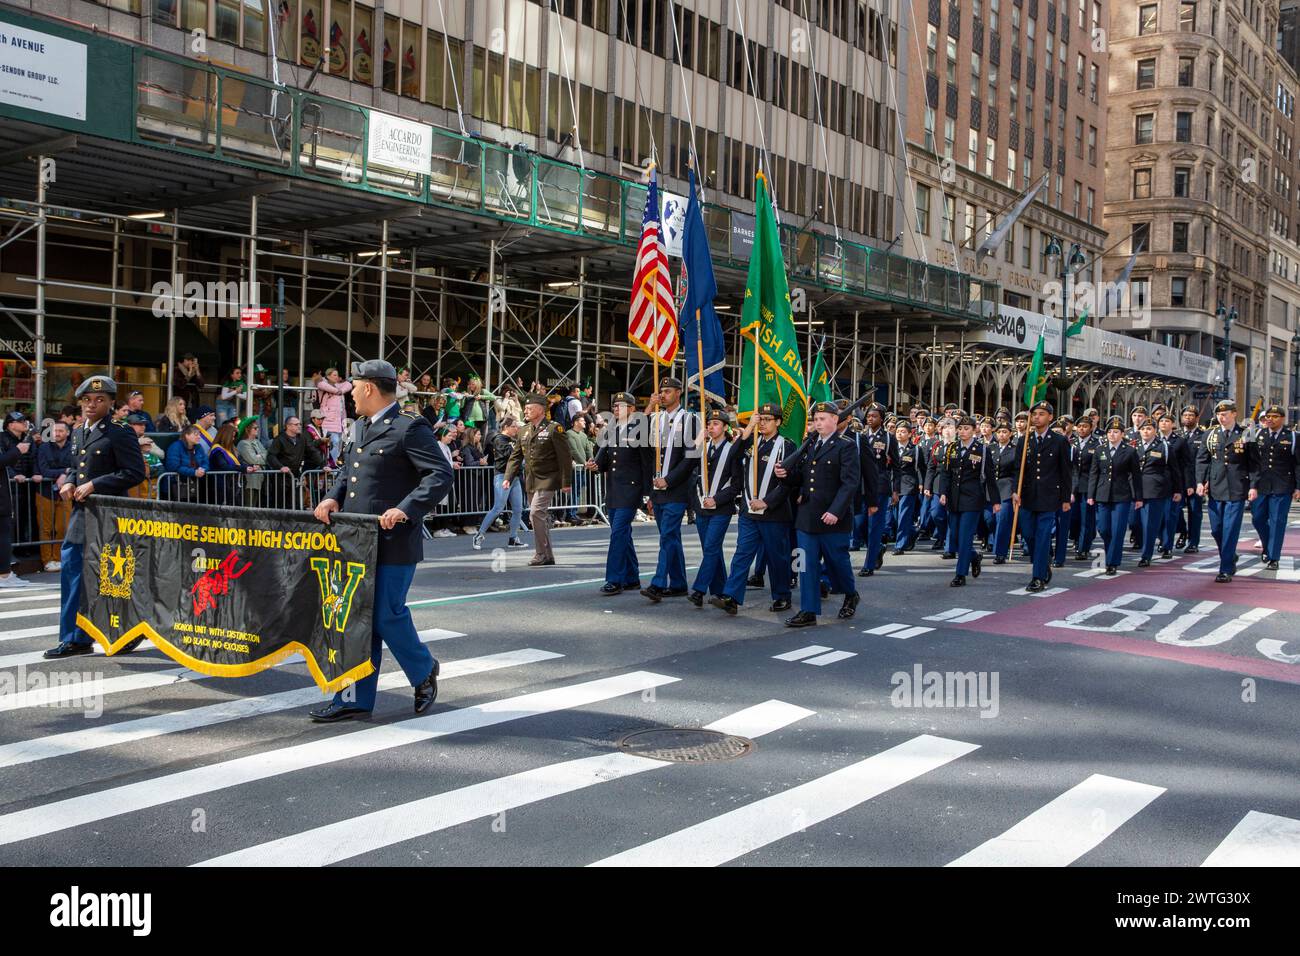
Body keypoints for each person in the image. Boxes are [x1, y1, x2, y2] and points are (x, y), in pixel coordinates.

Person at [310, 360, 453, 723]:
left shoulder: (409, 427)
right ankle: (353, 698)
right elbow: (349, 472)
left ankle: (423, 672)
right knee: (357, 618)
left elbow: (440, 474)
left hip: (393, 540)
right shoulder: (361, 427)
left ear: (370, 388)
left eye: (354, 386)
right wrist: (333, 497)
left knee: (387, 615)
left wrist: (405, 509)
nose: (351, 393)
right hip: (357, 540)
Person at [43, 375, 147, 658]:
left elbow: (135, 472)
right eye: (87, 400)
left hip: (110, 515)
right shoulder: (78, 432)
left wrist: (96, 484)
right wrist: (69, 482)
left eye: (100, 400)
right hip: (82, 513)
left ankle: (126, 631)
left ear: (112, 403)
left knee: (114, 577)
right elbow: (78, 468)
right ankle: (75, 637)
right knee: (73, 571)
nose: (92, 404)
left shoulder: (120, 432)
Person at [774, 401, 860, 627]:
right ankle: (808, 610)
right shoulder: (810, 443)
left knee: (837, 563)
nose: (818, 423)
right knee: (804, 564)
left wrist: (835, 511)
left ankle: (850, 593)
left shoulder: (846, 446)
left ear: (835, 420)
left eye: (823, 419)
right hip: (807, 516)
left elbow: (849, 484)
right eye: (816, 419)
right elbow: (802, 479)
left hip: (832, 518)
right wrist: (784, 474)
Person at [711, 403, 798, 615]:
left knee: (777, 557)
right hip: (749, 510)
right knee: (742, 553)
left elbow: (789, 483)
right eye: (762, 418)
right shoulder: (752, 442)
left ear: (778, 422)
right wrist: (750, 426)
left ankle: (781, 596)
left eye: (768, 419)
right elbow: (732, 454)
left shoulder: (787, 446)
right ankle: (731, 596)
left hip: (773, 512)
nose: (764, 423)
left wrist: (767, 502)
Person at [588, 393, 651, 594]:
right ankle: (632, 578)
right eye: (614, 406)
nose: (616, 409)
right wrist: (596, 465)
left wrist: (648, 494)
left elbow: (646, 463)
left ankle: (614, 579)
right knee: (623, 534)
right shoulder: (612, 431)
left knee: (617, 534)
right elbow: (607, 461)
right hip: (614, 489)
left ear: (632, 409)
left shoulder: (640, 430)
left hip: (631, 489)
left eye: (621, 406)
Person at [502, 393, 573, 567]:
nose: (525, 411)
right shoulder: (524, 430)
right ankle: (548, 555)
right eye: (525, 408)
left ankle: (540, 554)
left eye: (529, 408)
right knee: (537, 517)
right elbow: (515, 456)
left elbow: (565, 457)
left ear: (540, 410)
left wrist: (566, 482)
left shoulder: (554, 429)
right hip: (531, 479)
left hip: (548, 478)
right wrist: (508, 477)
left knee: (535, 513)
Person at [641, 378, 694, 601]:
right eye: (660, 391)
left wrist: (669, 480)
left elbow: (690, 458)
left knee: (668, 536)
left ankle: (658, 583)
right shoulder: (656, 418)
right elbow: (637, 438)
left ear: (678, 393)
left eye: (668, 391)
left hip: (677, 488)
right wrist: (648, 409)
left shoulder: (690, 419)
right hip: (658, 489)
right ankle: (680, 582)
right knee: (670, 537)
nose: (663, 395)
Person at [1013, 400, 1073, 592]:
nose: (1036, 417)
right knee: (1029, 535)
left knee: (1043, 536)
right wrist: (1016, 491)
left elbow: (1065, 472)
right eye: (1034, 414)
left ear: (1050, 417)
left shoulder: (1059, 441)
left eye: (1041, 414)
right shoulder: (1024, 440)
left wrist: (1065, 498)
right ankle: (1043, 560)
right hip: (1028, 496)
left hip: (1049, 497)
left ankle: (1037, 577)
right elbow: (1017, 469)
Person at [1196, 399, 1257, 583]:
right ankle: (1229, 556)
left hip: (1237, 488)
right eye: (1219, 415)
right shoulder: (1211, 434)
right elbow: (1202, 460)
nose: (1222, 418)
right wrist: (1200, 481)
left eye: (1225, 414)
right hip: (1216, 487)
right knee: (1216, 530)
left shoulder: (1245, 434)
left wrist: (1253, 486)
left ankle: (1225, 569)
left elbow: (1254, 462)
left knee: (1230, 530)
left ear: (1234, 414)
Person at [936, 415, 1000, 586]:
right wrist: (943, 492)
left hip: (972, 498)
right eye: (960, 428)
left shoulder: (982, 450)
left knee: (965, 537)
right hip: (954, 498)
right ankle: (973, 556)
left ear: (974, 430)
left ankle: (960, 574)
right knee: (955, 537)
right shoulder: (952, 448)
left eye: (967, 428)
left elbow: (990, 478)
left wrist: (995, 501)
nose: (963, 431)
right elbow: (945, 472)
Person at [686, 408, 739, 606]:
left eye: (716, 423)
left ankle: (699, 590)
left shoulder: (732, 449)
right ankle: (720, 589)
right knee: (711, 549)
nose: (711, 426)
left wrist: (717, 499)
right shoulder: (703, 447)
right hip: (701, 506)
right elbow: (687, 461)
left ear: (725, 427)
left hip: (720, 507)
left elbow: (736, 484)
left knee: (710, 548)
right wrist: (699, 438)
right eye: (709, 423)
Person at [1088, 416, 1143, 575]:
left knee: (1118, 529)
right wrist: (1091, 494)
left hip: (1122, 495)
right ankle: (1111, 552)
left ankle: (1112, 562)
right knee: (1104, 529)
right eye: (1110, 432)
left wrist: (1138, 497)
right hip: (1102, 494)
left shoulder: (1130, 451)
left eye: (1116, 432)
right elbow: (1094, 473)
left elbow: (1136, 475)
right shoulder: (1100, 450)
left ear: (1122, 434)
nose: (1112, 435)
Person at [1248, 404, 1300, 570]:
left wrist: (1298, 487)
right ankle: (1266, 543)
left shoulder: (1293, 436)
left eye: (1275, 416)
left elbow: (1298, 464)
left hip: (1282, 485)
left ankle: (1273, 557)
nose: (1270, 419)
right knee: (1257, 518)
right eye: (1268, 416)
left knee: (1278, 521)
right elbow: (1250, 460)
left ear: (1282, 419)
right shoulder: (1256, 434)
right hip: (1260, 484)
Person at [474, 417, 529, 550]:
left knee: (518, 509)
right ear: (506, 427)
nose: (517, 429)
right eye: (514, 426)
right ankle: (479, 535)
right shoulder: (499, 440)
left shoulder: (513, 440)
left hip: (514, 477)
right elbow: (511, 455)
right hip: (502, 476)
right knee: (498, 507)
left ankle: (513, 538)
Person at [857, 403, 897, 577]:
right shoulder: (860, 436)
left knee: (875, 526)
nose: (870, 418)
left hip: (880, 486)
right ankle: (878, 548)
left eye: (874, 416)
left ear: (881, 419)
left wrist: (895, 490)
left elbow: (896, 466)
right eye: (868, 416)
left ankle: (869, 564)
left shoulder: (888, 438)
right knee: (859, 524)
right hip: (861, 485)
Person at [1133, 419, 1180, 567]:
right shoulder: (1132, 445)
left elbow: (1174, 469)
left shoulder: (1163, 446)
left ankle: (1146, 555)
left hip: (1154, 490)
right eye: (1143, 429)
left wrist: (1177, 489)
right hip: (1133, 489)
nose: (1145, 431)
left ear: (1154, 430)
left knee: (1149, 524)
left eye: (1148, 429)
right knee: (1133, 522)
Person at [35, 421, 73, 571]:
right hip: (45, 492)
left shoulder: (73, 448)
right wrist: (63, 473)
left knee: (63, 526)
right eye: (54, 431)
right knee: (45, 528)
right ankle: (47, 560)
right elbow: (44, 470)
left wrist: (63, 473)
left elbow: (76, 467)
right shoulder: (44, 447)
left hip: (66, 492)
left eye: (60, 431)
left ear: (67, 433)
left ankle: (58, 558)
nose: (57, 433)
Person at [1156, 413, 1194, 560]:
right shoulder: (1155, 440)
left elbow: (1186, 465)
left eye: (1167, 421)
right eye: (1161, 421)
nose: (1164, 423)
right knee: (1158, 517)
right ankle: (1161, 538)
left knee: (1170, 516)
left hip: (1174, 483)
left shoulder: (1180, 441)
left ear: (1173, 424)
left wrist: (1188, 484)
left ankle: (1167, 545)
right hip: (1156, 484)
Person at [1176, 405, 1207, 552]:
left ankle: (1193, 542)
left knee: (1195, 512)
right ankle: (1182, 530)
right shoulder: (1176, 435)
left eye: (1191, 415)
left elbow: (1206, 460)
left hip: (1196, 480)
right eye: (1185, 415)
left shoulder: (1203, 435)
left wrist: (1204, 480)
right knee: (1174, 509)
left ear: (1196, 418)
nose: (1188, 418)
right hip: (1178, 480)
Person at [1071, 415, 1101, 559]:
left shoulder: (1097, 444)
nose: (1082, 429)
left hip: (1088, 485)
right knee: (1074, 518)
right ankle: (1077, 540)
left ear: (1091, 428)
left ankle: (1083, 547)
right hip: (1072, 486)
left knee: (1086, 519)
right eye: (1080, 426)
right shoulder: (1072, 442)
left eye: (1085, 426)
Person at [988, 422, 1018, 563]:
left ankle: (1000, 552)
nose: (1002, 434)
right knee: (989, 519)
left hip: (1006, 487)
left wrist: (1015, 490)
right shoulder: (990, 448)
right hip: (990, 488)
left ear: (1010, 434)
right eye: (999, 432)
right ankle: (989, 540)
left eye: (1005, 432)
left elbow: (1017, 472)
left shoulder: (1015, 450)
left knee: (1003, 521)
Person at [891, 419, 922, 554]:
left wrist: (921, 484)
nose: (899, 434)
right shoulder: (891, 447)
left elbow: (922, 468)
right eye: (898, 431)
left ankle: (900, 545)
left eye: (903, 431)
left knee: (903, 516)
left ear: (910, 434)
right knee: (897, 516)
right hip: (893, 485)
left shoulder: (915, 450)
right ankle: (913, 531)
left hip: (908, 485)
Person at [207, 421, 250, 506]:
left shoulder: (230, 449)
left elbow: (239, 462)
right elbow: (224, 466)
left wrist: (249, 466)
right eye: (232, 437)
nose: (233, 439)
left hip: (231, 485)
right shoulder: (217, 450)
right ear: (226, 436)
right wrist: (242, 468)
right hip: (221, 486)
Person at [314, 368, 353, 461]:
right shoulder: (323, 384)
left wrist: (340, 391)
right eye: (334, 375)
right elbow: (321, 384)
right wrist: (337, 391)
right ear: (328, 376)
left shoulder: (339, 387)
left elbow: (348, 384)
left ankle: (333, 465)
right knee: (332, 443)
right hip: (327, 421)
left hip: (339, 422)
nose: (337, 377)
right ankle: (330, 465)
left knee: (338, 444)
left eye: (337, 375)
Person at [163, 425, 209, 502]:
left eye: (199, 435)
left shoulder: (199, 447)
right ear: (187, 435)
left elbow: (206, 462)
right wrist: (194, 472)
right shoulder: (175, 447)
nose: (199, 437)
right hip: (176, 486)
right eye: (196, 434)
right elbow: (173, 466)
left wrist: (203, 469)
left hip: (195, 485)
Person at [236, 417, 269, 507]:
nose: (257, 429)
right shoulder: (243, 443)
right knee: (249, 505)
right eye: (255, 428)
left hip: (259, 478)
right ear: (247, 430)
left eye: (257, 427)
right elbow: (253, 459)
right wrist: (261, 456)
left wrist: (260, 456)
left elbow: (267, 455)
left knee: (255, 505)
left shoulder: (257, 441)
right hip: (249, 480)